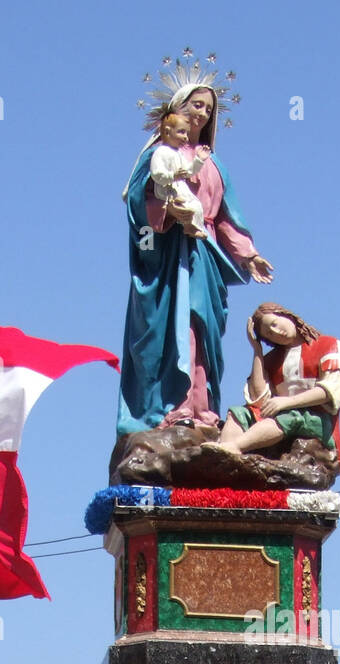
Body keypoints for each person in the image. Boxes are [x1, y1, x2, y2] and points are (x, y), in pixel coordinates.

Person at [117, 83, 273, 436]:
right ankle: (175, 408)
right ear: (177, 109)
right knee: (177, 327)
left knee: (204, 332)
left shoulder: (215, 165)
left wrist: (249, 255)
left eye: (207, 109)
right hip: (170, 257)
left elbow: (224, 218)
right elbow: (138, 205)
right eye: (196, 105)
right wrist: (168, 213)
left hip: (205, 256)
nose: (201, 113)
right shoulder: (158, 154)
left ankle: (203, 409)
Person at [209, 303, 340, 471]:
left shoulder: (330, 345)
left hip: (319, 420)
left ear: (286, 315)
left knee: (289, 417)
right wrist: (257, 351)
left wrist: (287, 402)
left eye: (274, 324)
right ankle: (223, 461)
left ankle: (235, 447)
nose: (276, 332)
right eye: (269, 334)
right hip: (280, 416)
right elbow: (259, 400)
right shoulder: (273, 360)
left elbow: (330, 390)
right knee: (238, 413)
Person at [149, 111, 207, 239]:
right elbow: (157, 174)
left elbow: (189, 171)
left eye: (187, 133)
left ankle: (191, 227)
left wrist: (199, 160)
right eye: (181, 132)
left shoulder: (178, 154)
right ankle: (183, 217)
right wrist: (173, 176)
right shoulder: (161, 151)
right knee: (183, 204)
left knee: (195, 205)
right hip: (167, 187)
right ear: (168, 131)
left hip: (179, 186)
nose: (186, 137)